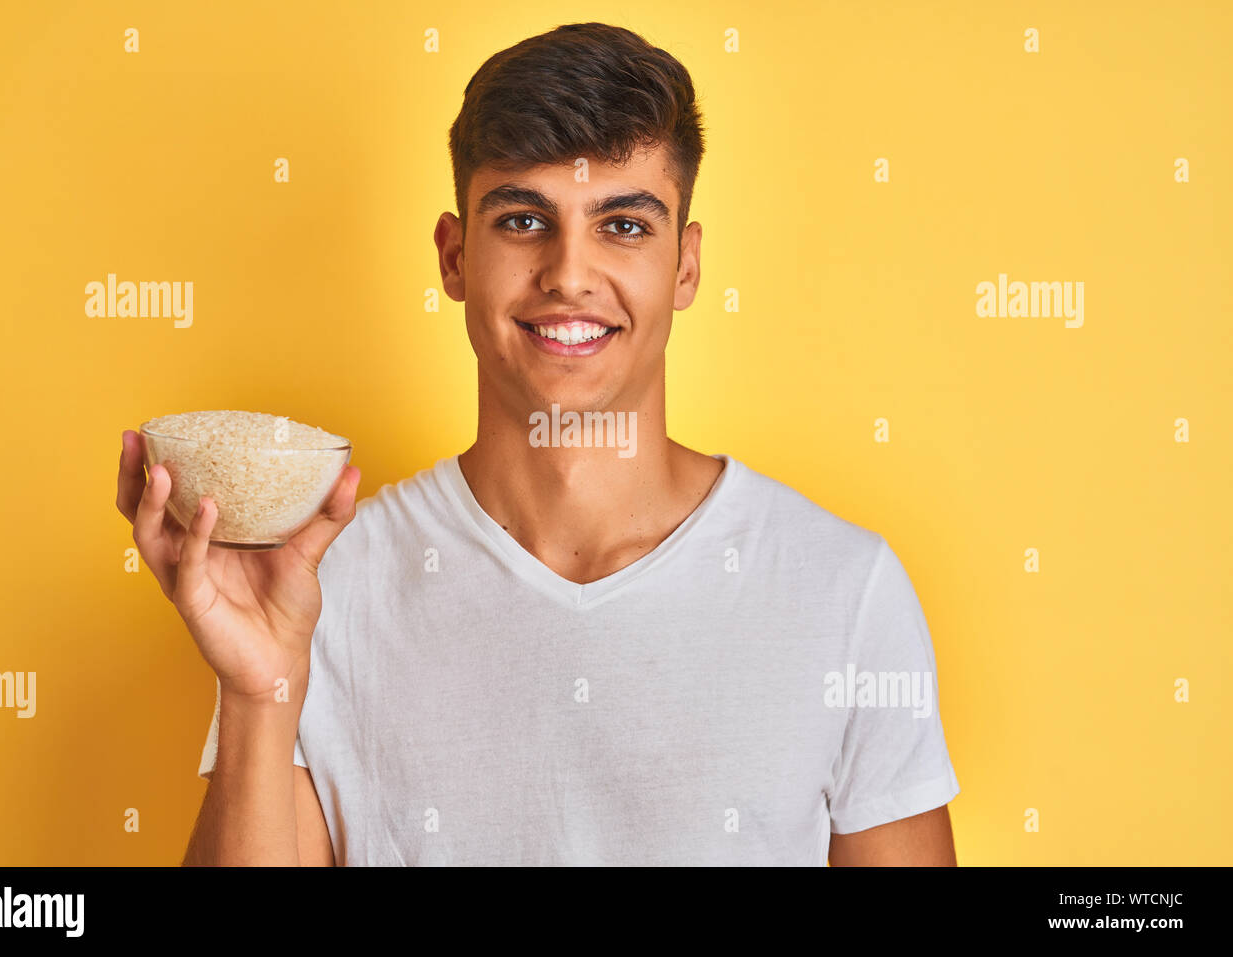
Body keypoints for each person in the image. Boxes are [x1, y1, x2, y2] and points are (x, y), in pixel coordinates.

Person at [115, 21, 959, 866]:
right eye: (523, 220)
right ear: (453, 257)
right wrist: (259, 692)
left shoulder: (845, 592)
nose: (568, 274)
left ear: (686, 267)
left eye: (624, 226)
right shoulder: (322, 587)